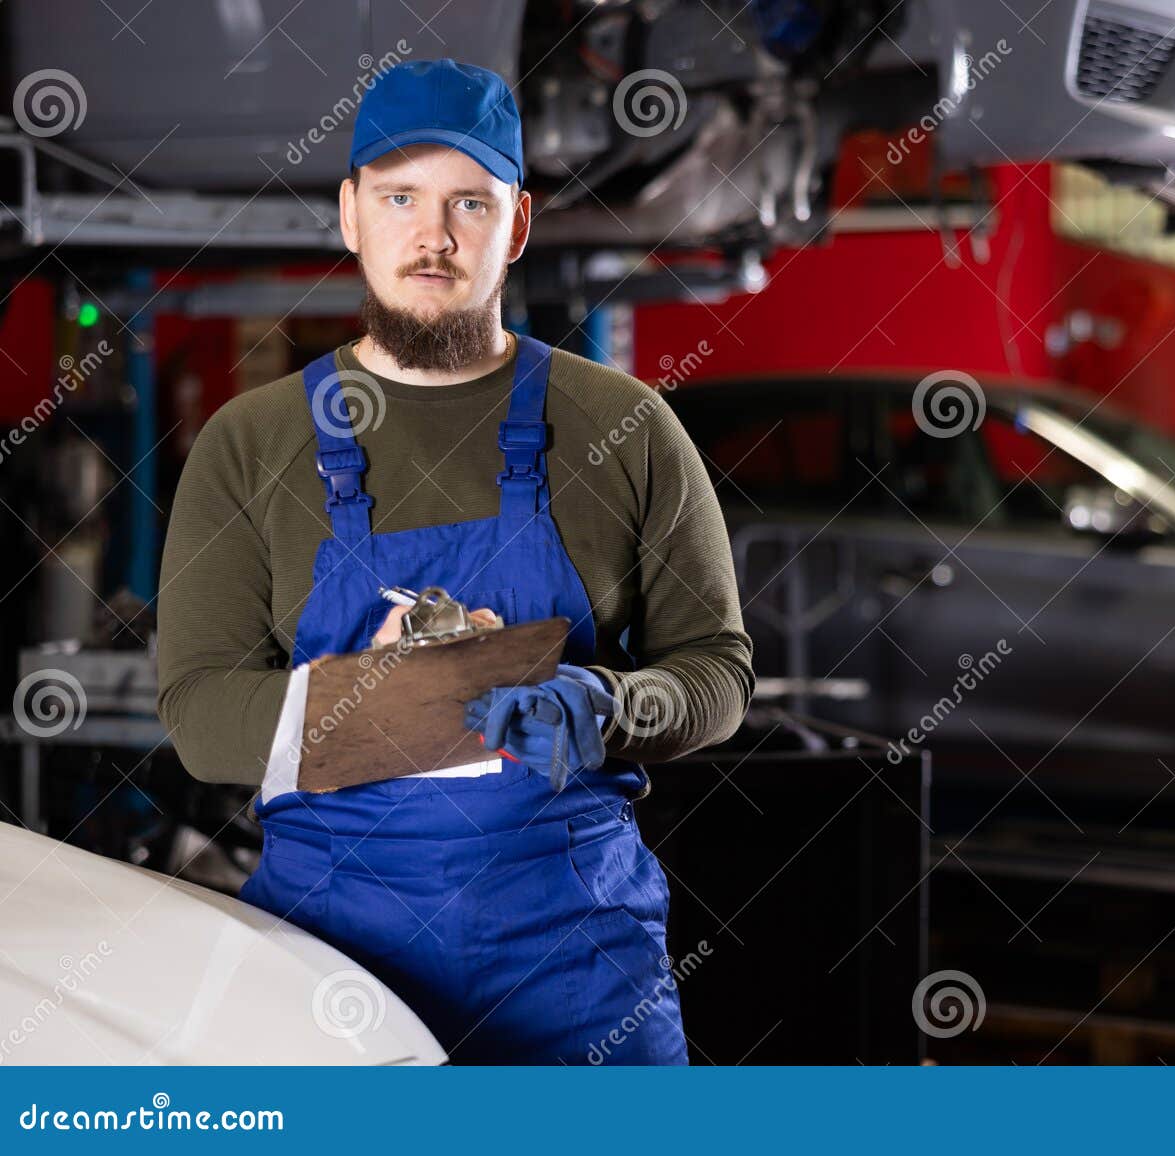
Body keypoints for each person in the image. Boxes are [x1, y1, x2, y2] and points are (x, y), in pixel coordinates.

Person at [155, 58, 754, 1063]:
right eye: (399, 198)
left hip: (576, 976)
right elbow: (199, 718)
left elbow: (718, 674)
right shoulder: (250, 443)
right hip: (331, 972)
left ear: (515, 224)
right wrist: (369, 700)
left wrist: (603, 708)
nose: (432, 236)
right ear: (350, 214)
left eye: (467, 202)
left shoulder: (627, 427)